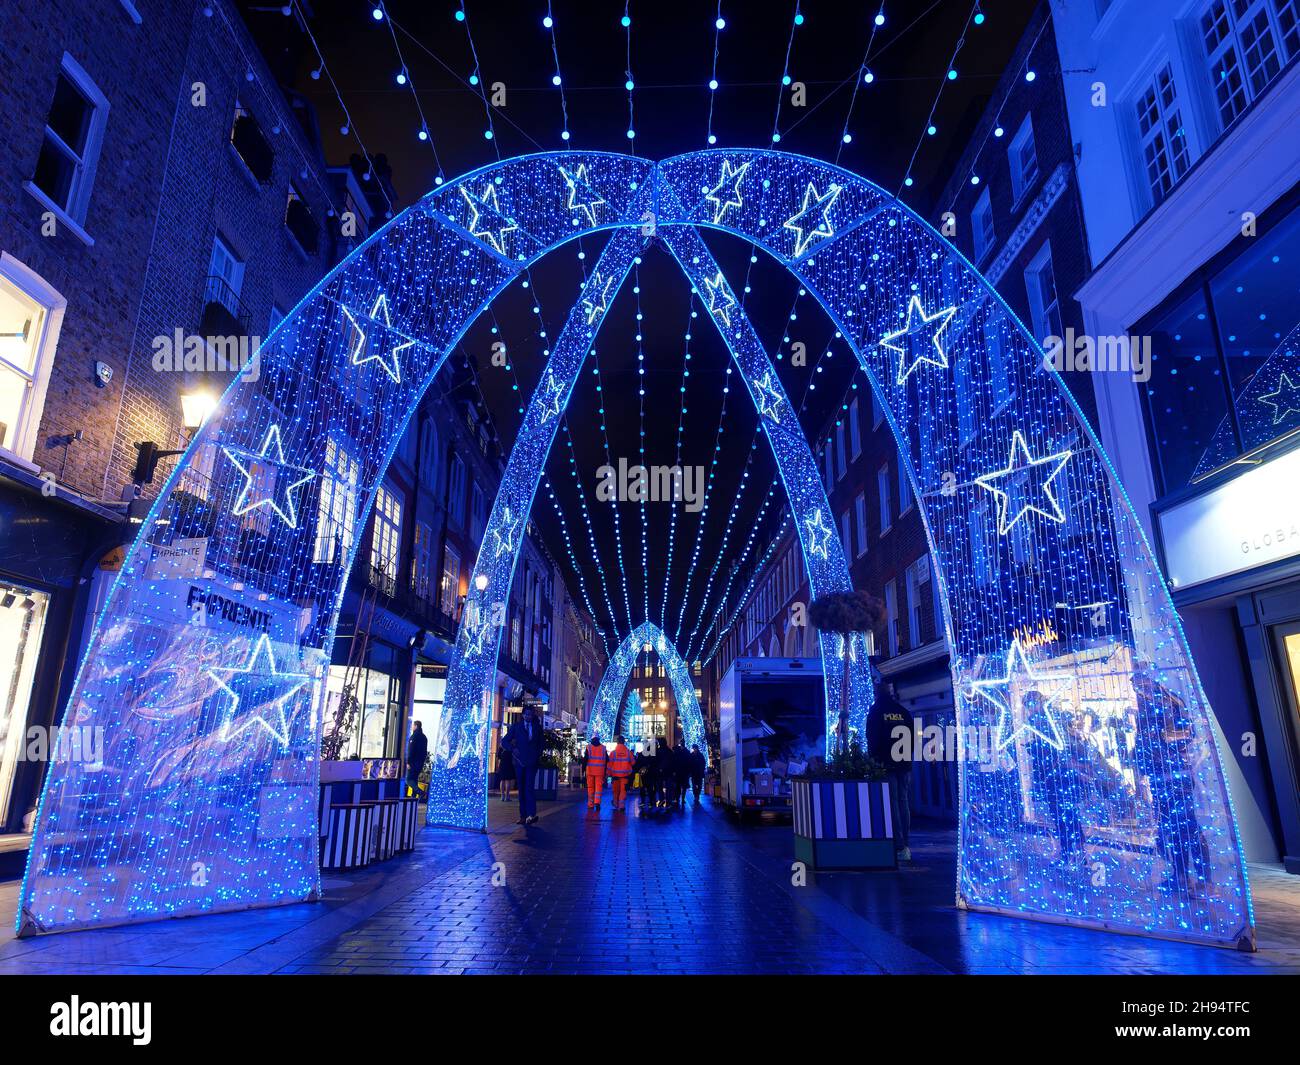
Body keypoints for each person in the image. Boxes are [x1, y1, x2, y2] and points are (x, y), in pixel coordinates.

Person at [866, 678, 914, 861]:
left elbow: (873, 740)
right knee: (903, 801)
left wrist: (873, 760)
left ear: (877, 693)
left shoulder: (876, 712)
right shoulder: (904, 712)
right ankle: (906, 845)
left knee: (892, 802)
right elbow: (913, 741)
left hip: (885, 764)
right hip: (904, 764)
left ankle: (898, 844)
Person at [503, 705, 544, 825]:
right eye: (526, 714)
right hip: (519, 763)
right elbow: (504, 741)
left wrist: (537, 754)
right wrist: (512, 749)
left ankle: (531, 815)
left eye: (530, 714)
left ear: (533, 715)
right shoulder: (516, 727)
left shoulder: (537, 728)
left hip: (531, 763)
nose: (528, 716)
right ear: (523, 715)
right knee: (521, 789)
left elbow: (541, 744)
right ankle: (523, 816)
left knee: (529, 788)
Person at [607, 734, 635, 812]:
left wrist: (609, 774)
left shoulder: (613, 753)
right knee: (623, 790)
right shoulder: (628, 752)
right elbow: (633, 763)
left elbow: (609, 765)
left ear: (617, 742)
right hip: (625, 775)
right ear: (624, 742)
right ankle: (622, 805)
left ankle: (616, 804)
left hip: (615, 775)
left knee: (615, 791)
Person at [405, 721, 428, 800]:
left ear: (416, 726)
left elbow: (411, 750)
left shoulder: (414, 737)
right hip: (420, 763)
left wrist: (408, 762)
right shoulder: (424, 737)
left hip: (413, 763)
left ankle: (421, 793)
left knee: (408, 780)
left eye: (413, 726)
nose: (412, 727)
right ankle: (413, 797)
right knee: (414, 779)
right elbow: (425, 752)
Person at [585, 734, 608, 810]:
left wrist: (583, 770)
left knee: (590, 788)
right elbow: (607, 759)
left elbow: (585, 759)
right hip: (600, 771)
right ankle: (597, 803)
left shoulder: (588, 747)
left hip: (590, 771)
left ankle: (590, 804)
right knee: (598, 788)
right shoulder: (603, 748)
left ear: (592, 739)